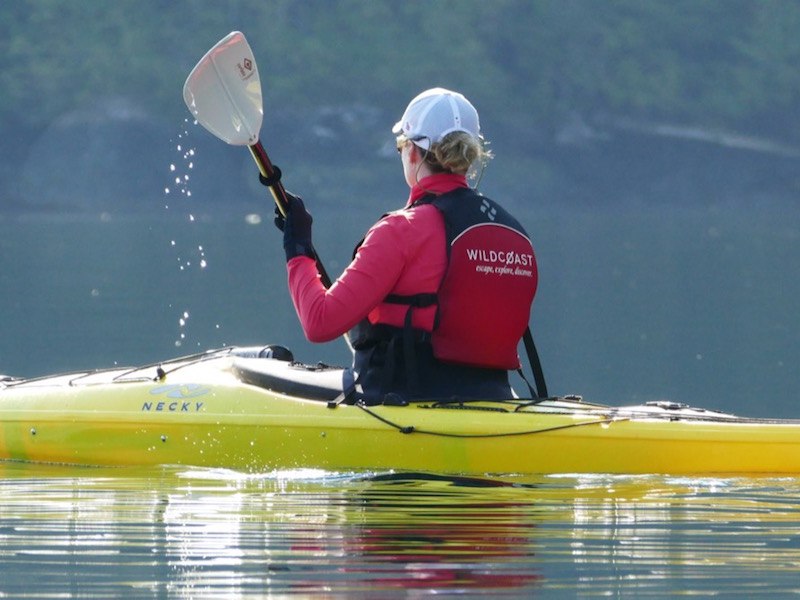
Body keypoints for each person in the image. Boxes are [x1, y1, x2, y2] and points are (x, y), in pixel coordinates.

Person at [271, 88, 538, 404]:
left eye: (401, 146)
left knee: (262, 367)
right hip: (497, 398)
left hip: (402, 399)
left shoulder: (400, 230)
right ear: (468, 158)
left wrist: (298, 248)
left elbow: (319, 322)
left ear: (411, 151)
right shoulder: (513, 232)